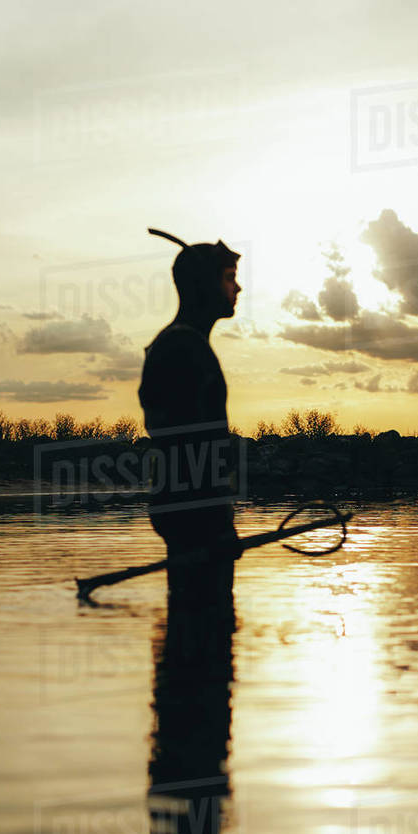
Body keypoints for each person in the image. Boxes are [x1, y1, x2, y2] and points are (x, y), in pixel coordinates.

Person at [138, 228, 243, 601]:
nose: (238, 289)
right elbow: (186, 446)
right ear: (204, 284)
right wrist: (214, 526)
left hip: (190, 520)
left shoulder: (181, 344)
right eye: (229, 278)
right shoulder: (183, 349)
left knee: (190, 639)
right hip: (197, 524)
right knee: (204, 637)